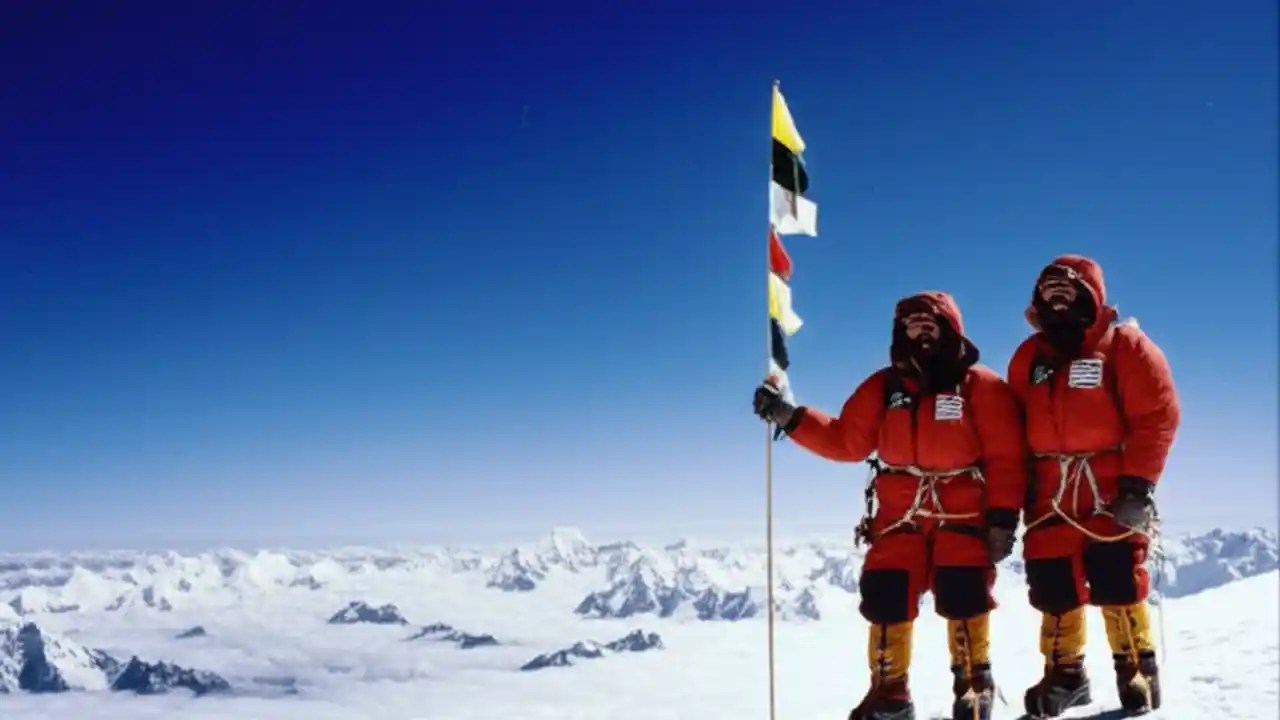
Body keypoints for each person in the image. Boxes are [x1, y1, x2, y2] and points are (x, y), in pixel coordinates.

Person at [753, 291, 1027, 720]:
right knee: (885, 595)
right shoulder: (884, 387)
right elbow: (846, 440)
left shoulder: (982, 386)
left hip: (963, 514)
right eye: (910, 323)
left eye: (929, 322)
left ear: (949, 329)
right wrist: (791, 417)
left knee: (964, 594)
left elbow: (1007, 457)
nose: (919, 328)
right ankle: (890, 693)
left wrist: (1003, 519)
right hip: (900, 516)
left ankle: (975, 685)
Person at [1007, 255, 1179, 718]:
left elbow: (1157, 417)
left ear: (1092, 295)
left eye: (1067, 289)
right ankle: (1065, 675)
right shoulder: (1028, 358)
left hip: (1111, 492)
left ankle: (1137, 669)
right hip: (1050, 495)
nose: (1056, 298)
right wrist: (1010, 498)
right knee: (1053, 587)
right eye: (1047, 292)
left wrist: (1137, 487)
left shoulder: (1125, 346)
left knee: (1118, 580)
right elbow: (1011, 431)